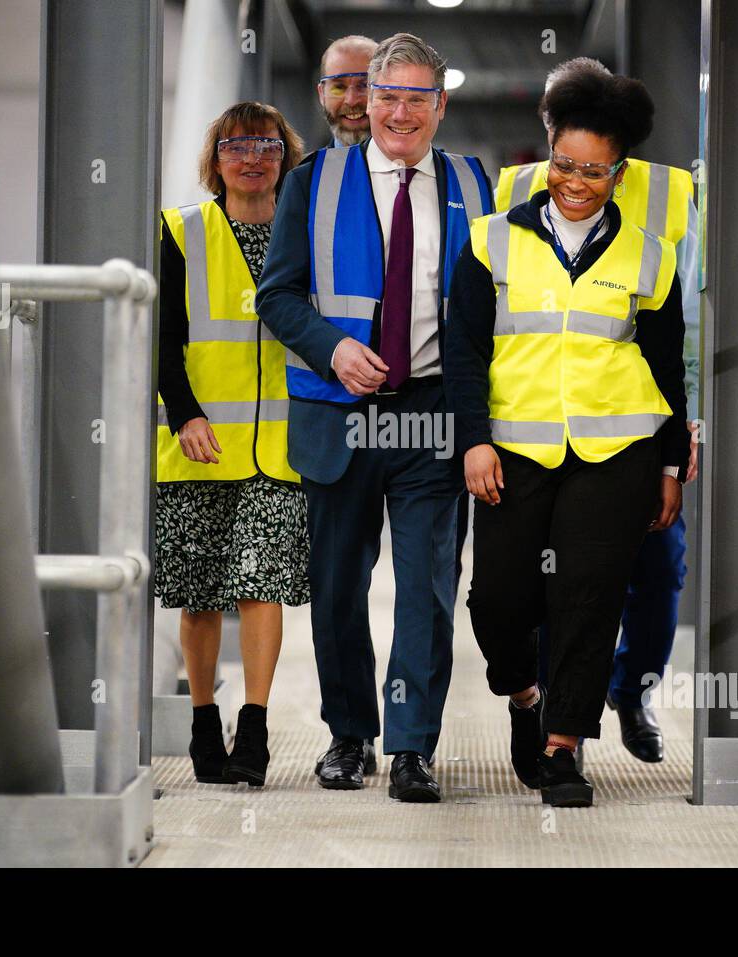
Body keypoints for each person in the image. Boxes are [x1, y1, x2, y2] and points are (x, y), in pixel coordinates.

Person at [445, 61, 688, 808]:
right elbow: (464, 351)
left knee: (590, 595)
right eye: (563, 164)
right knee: (499, 601)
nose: (574, 180)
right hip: (514, 448)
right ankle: (524, 696)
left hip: (616, 450)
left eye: (593, 170)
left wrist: (673, 460)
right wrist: (474, 439)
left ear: (619, 172)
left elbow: (666, 364)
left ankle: (564, 747)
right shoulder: (491, 241)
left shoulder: (649, 255)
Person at [257, 33, 492, 802]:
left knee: (428, 585)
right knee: (337, 584)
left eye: (416, 98)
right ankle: (350, 734)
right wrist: (332, 349)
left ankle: (413, 745)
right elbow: (278, 296)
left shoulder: (471, 184)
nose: (398, 112)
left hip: (431, 413)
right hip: (339, 412)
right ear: (369, 99)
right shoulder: (312, 182)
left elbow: (492, 308)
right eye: (386, 95)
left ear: (439, 106)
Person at [155, 102, 308, 788]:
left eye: (267, 146)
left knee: (260, 582)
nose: (252, 157)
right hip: (199, 443)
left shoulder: (305, 233)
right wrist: (183, 414)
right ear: (215, 159)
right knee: (199, 593)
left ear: (285, 156)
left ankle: (253, 727)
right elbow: (162, 340)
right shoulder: (181, 231)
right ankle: (201, 716)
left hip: (278, 446)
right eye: (237, 145)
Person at [315, 34, 377, 148]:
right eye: (339, 87)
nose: (351, 100)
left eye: (364, 85)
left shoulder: (415, 165)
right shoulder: (311, 166)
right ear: (322, 94)